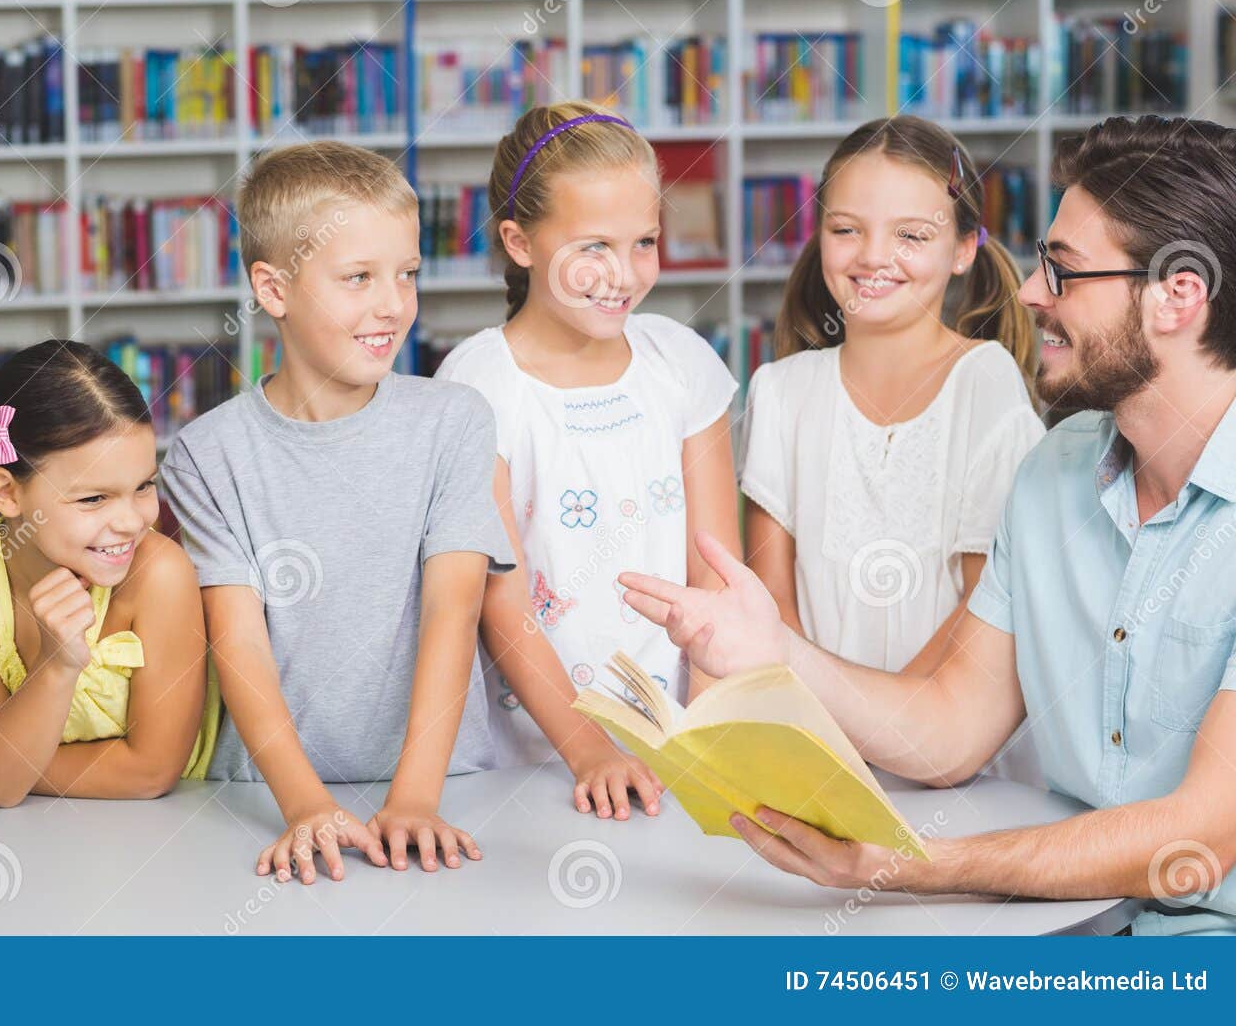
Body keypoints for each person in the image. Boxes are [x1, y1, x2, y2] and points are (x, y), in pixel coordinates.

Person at [620, 116, 1236, 935]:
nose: (1029, 291)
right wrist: (777, 648)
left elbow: (1199, 833)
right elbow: (950, 730)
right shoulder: (1054, 477)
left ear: (1178, 295)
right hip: (1084, 924)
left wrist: (906, 865)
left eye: (1066, 271)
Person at [162, 141, 514, 883]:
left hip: (449, 789)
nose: (393, 303)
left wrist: (413, 797)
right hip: (267, 797)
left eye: (407, 274)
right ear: (274, 288)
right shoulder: (205, 453)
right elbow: (241, 648)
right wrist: (304, 805)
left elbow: (455, 609)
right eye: (358, 277)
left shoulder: (455, 420)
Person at [435, 101, 738, 819]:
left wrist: (709, 731)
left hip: (679, 750)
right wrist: (589, 750)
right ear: (519, 242)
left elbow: (717, 573)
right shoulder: (480, 382)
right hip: (532, 762)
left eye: (644, 242)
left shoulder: (681, 364)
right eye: (593, 247)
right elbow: (497, 598)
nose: (624, 274)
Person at [740, 115, 1045, 783]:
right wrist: (820, 738)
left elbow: (982, 607)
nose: (873, 256)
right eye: (846, 229)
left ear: (965, 247)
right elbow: (772, 607)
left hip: (955, 763)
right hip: (816, 756)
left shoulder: (986, 384)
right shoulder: (780, 392)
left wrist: (881, 733)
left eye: (912, 235)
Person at [0, 340, 219, 807]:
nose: (133, 521)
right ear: (7, 493)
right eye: (93, 498)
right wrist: (57, 664)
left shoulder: (161, 575)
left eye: (144, 486)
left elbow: (151, 772)